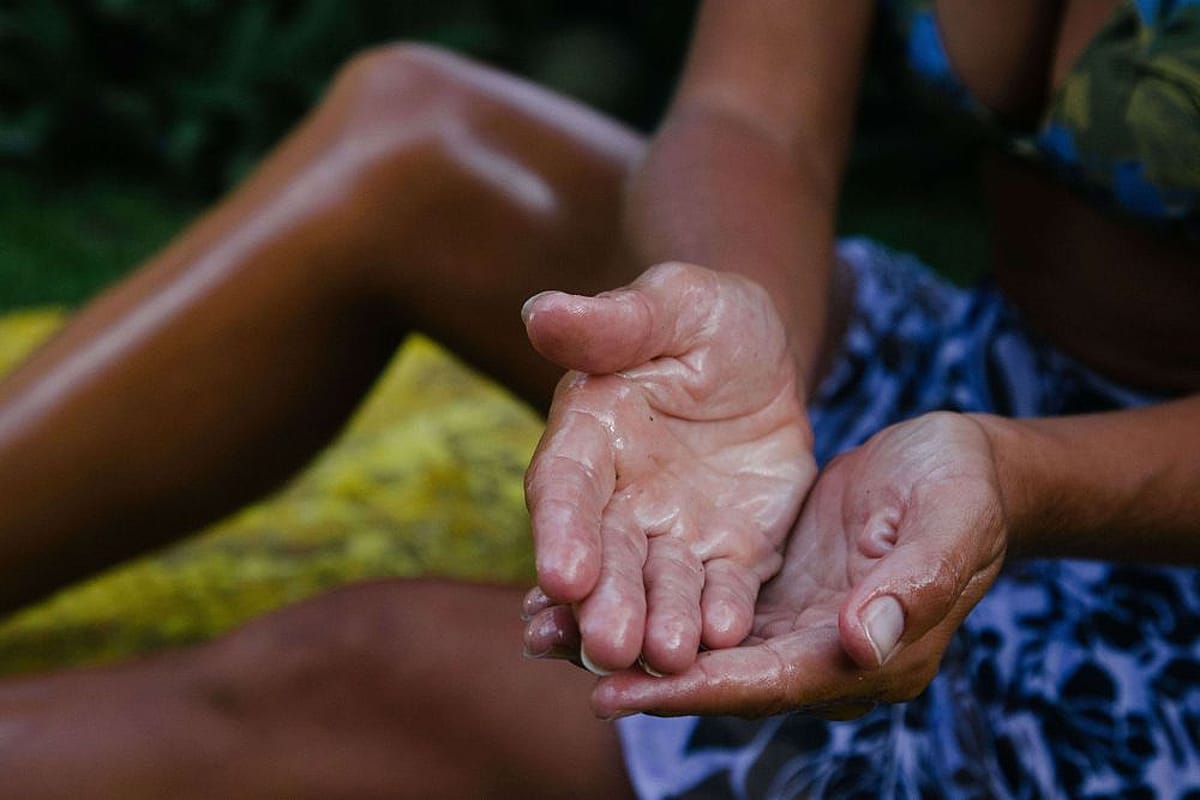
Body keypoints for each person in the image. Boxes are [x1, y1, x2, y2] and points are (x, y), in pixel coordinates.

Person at [0, 0, 1197, 796]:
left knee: (360, 666)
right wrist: (732, 323)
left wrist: (1018, 471)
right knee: (415, 142)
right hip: (978, 355)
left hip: (1153, 577)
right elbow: (750, 114)